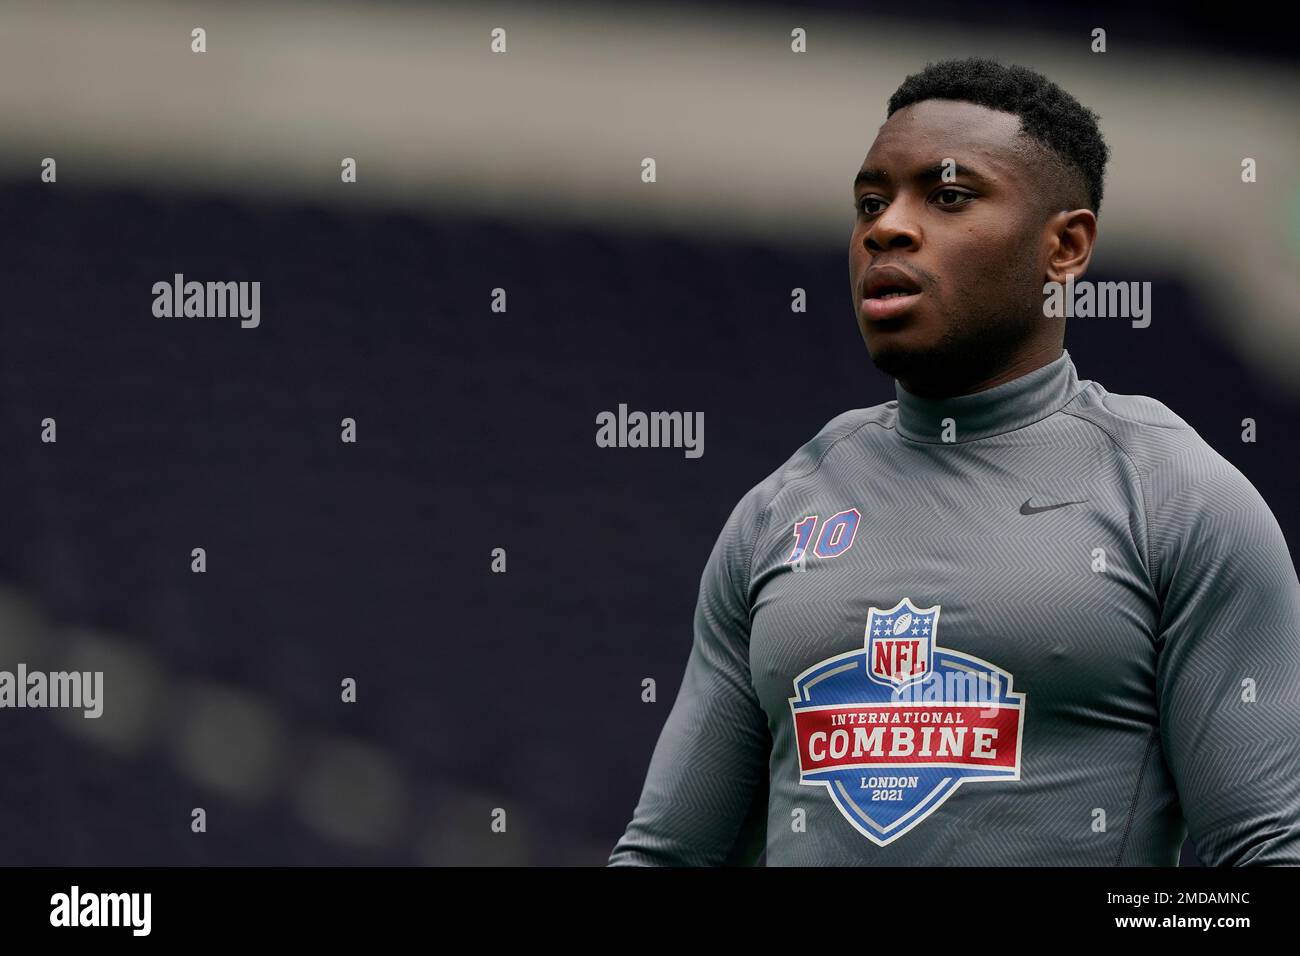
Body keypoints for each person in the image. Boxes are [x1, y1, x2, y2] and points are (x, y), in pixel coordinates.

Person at [608, 57, 1300, 866]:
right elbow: (664, 855)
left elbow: (1266, 858)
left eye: (947, 197)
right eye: (871, 203)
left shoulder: (1178, 501)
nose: (886, 229)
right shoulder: (778, 512)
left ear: (1066, 246)